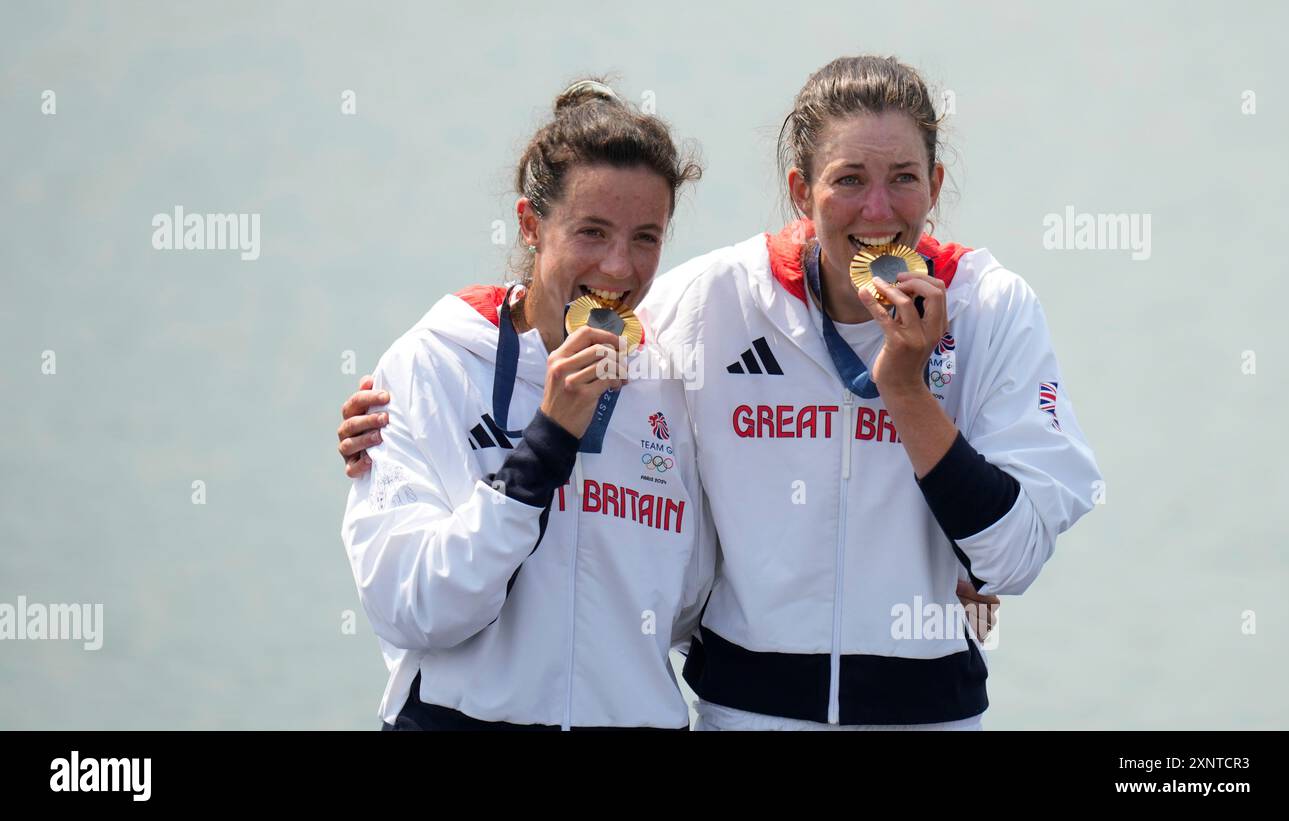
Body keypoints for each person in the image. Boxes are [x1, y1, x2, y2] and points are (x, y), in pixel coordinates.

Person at [346, 56, 1088, 730]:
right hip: (744, 714)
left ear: (936, 185)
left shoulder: (991, 307)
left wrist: (910, 402)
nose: (877, 210)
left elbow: (1014, 555)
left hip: (932, 712)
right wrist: (398, 403)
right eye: (849, 179)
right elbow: (555, 320)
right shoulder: (711, 303)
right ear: (802, 191)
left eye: (903, 178)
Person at [340, 78, 714, 730]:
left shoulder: (671, 381)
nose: (620, 268)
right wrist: (544, 444)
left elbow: (694, 602)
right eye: (592, 232)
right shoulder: (433, 365)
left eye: (646, 237)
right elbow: (414, 605)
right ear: (531, 225)